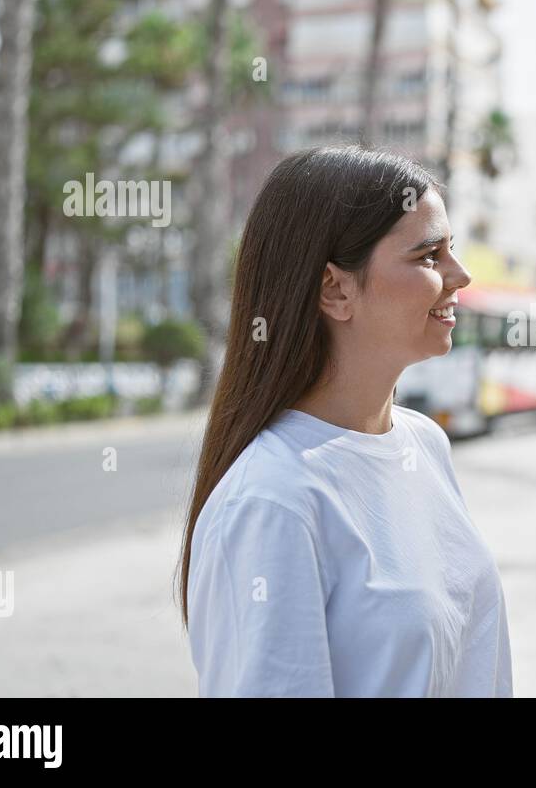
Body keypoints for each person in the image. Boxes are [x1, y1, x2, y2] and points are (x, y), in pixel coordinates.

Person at [178, 145, 512, 697]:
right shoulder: (271, 502)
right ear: (335, 288)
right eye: (429, 255)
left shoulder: (424, 444)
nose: (461, 274)